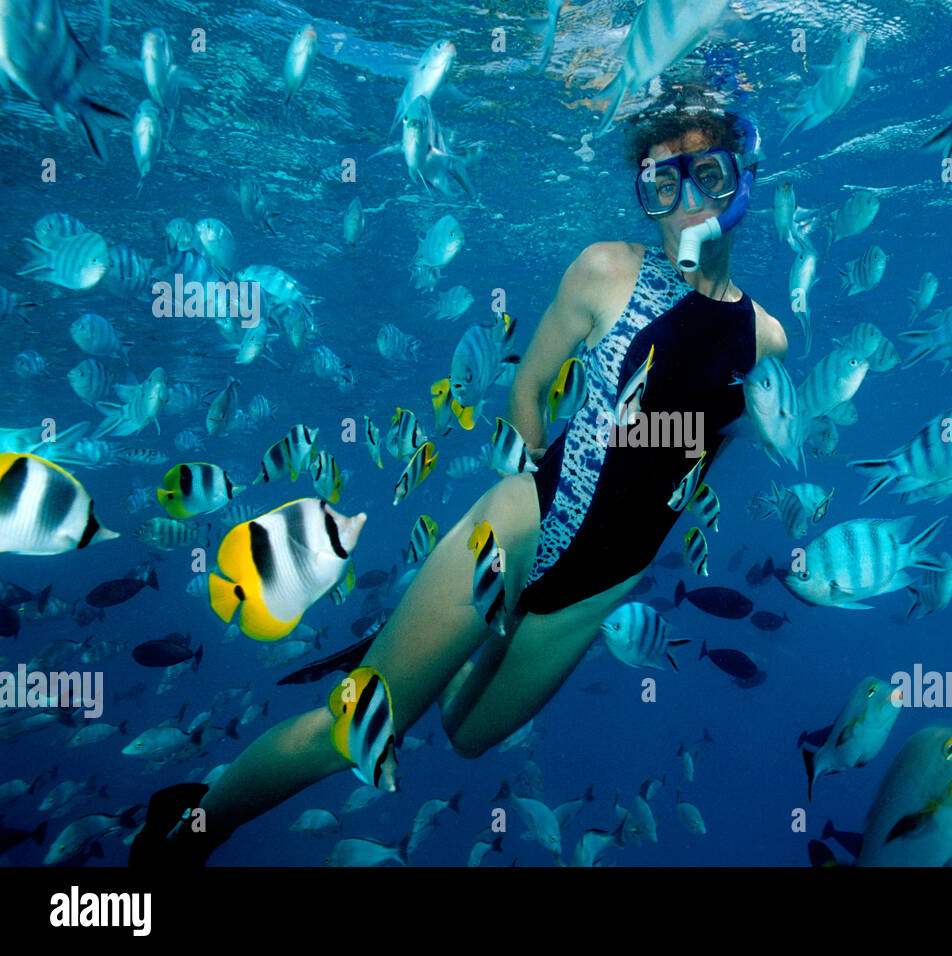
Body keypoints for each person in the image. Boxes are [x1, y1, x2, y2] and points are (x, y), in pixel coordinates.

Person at [130, 87, 787, 866]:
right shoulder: (605, 270)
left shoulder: (766, 341)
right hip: (513, 530)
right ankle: (199, 821)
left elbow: (695, 462)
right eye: (658, 183)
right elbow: (526, 392)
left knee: (469, 738)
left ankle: (449, 632)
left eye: (705, 175)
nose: (682, 204)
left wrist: (519, 605)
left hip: (598, 592)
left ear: (741, 177)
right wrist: (530, 534)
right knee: (359, 733)